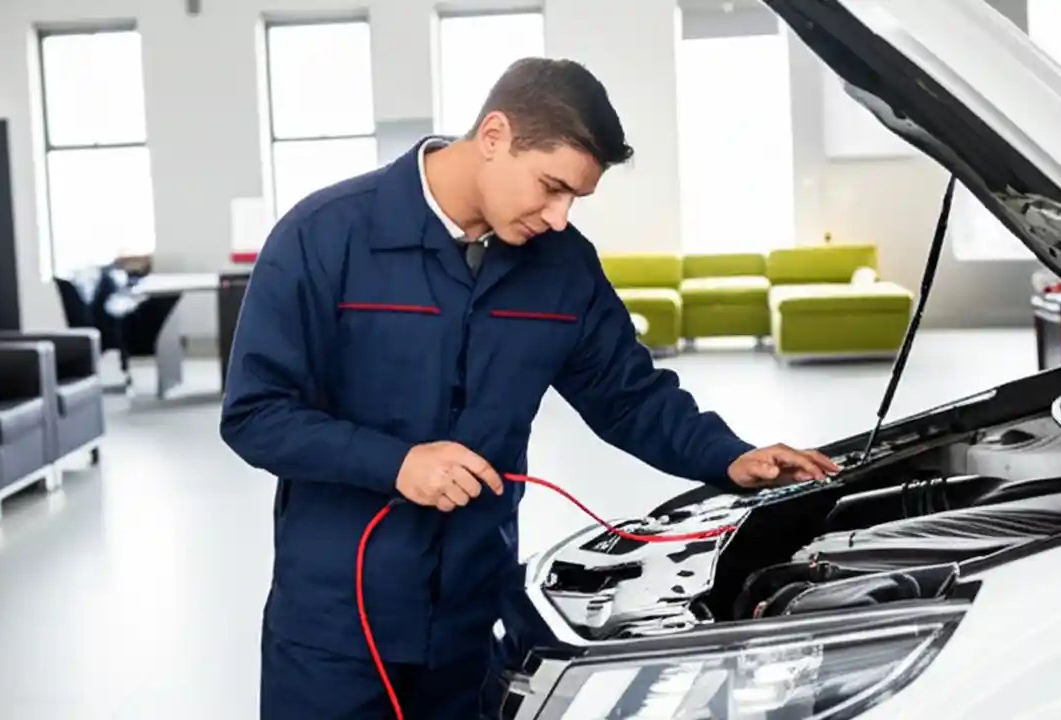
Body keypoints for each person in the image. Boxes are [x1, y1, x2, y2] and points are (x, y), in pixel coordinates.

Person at [220, 57, 840, 720]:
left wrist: (729, 456)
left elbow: (626, 392)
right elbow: (256, 413)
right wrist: (397, 464)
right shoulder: (324, 236)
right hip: (334, 629)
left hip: (471, 618)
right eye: (551, 187)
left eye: (575, 198)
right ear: (494, 135)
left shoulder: (561, 266)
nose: (560, 217)